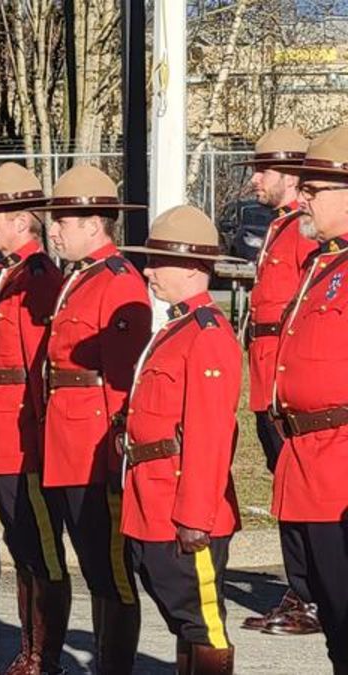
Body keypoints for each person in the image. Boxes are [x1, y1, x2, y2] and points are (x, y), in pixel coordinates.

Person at [37, 165, 152, 674]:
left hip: (94, 443)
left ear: (95, 223)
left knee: (110, 570)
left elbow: (122, 380)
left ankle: (114, 665)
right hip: (64, 438)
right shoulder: (78, 277)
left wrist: (113, 457)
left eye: (64, 219)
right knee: (91, 562)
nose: (54, 229)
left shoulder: (118, 281)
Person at [120, 205, 242, 674]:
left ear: (193, 267)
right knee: (181, 618)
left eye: (158, 261)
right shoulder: (176, 328)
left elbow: (210, 435)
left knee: (202, 622)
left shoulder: (207, 335)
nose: (148, 271)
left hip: (183, 506)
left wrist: (195, 517)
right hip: (152, 495)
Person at [0, 162, 68, 674]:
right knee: (19, 542)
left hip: (22, 436)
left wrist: (40, 442)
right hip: (0, 430)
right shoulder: (10, 273)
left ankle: (43, 655)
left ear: (20, 220)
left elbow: (37, 368)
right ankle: (29, 648)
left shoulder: (37, 278)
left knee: (38, 547)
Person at [232, 127, 321, 637]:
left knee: (301, 484)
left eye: (263, 171)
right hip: (267, 370)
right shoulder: (282, 227)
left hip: (285, 367)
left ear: (289, 175)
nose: (256, 181)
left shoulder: (302, 231)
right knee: (285, 481)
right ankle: (301, 585)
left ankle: (310, 591)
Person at [271, 123, 348, 672]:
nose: (302, 199)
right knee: (333, 611)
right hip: (307, 459)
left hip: (341, 461)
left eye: (314, 190)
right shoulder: (323, 265)